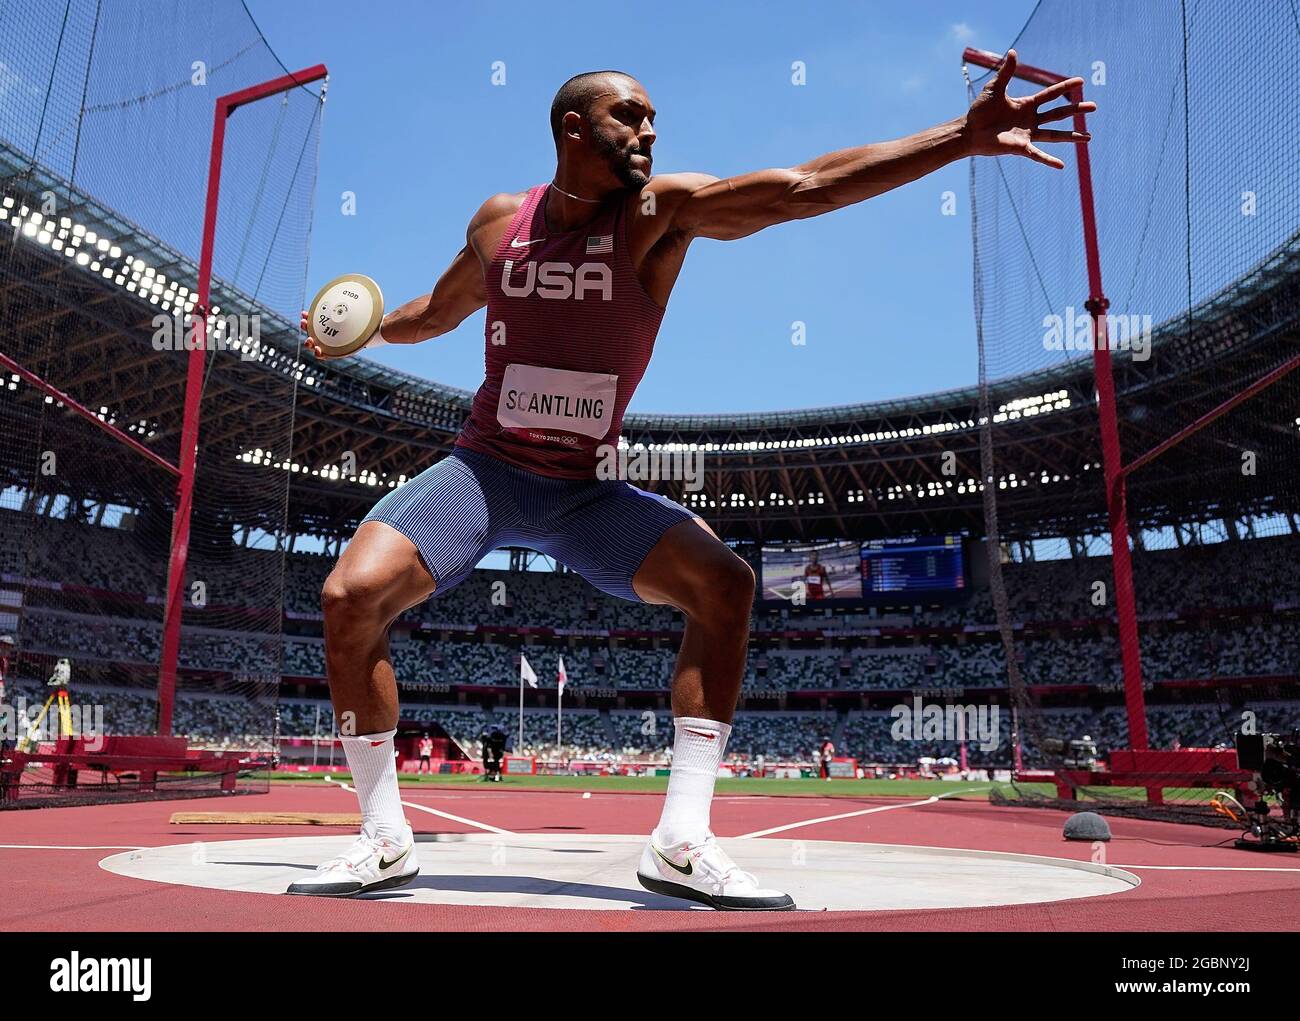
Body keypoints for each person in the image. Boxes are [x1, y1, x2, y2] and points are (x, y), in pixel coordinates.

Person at [288, 56, 1093, 905]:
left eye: (652, 118)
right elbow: (438, 312)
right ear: (573, 128)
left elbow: (805, 186)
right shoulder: (500, 221)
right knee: (349, 593)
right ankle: (383, 838)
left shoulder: (658, 214)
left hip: (589, 490)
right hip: (485, 471)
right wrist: (364, 332)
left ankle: (681, 839)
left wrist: (956, 139)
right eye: (630, 115)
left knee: (726, 584)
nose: (650, 130)